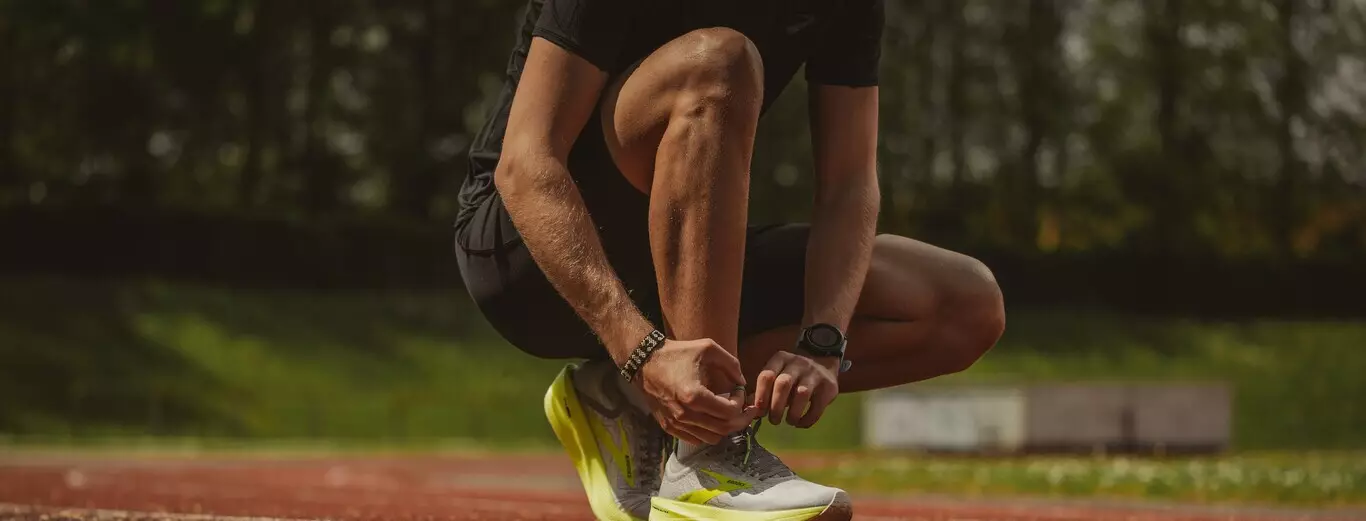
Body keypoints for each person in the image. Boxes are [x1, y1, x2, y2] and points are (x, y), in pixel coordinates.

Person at [454, 0, 1006, 519]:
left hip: (677, 264)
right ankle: (707, 458)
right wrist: (638, 348)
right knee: (720, 61)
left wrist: (823, 341)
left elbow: (849, 183)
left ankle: (629, 400)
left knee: (963, 303)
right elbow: (526, 166)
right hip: (532, 260)